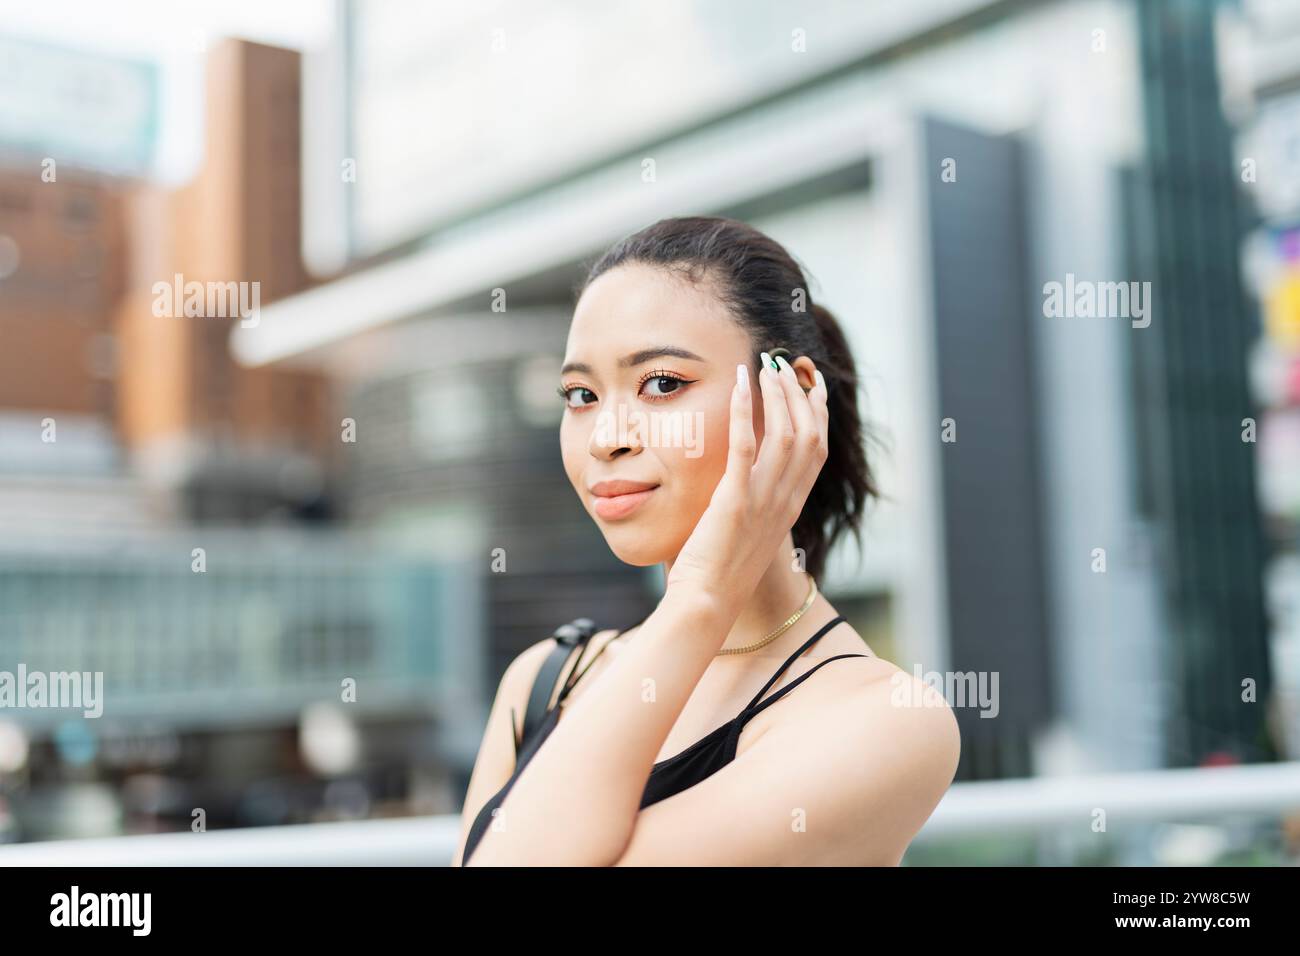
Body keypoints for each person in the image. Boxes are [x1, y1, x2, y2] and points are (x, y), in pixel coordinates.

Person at [453, 215, 959, 866]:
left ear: (791, 397)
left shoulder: (885, 719)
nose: (607, 436)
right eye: (580, 395)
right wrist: (697, 604)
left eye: (662, 383)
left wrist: (702, 596)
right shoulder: (545, 679)